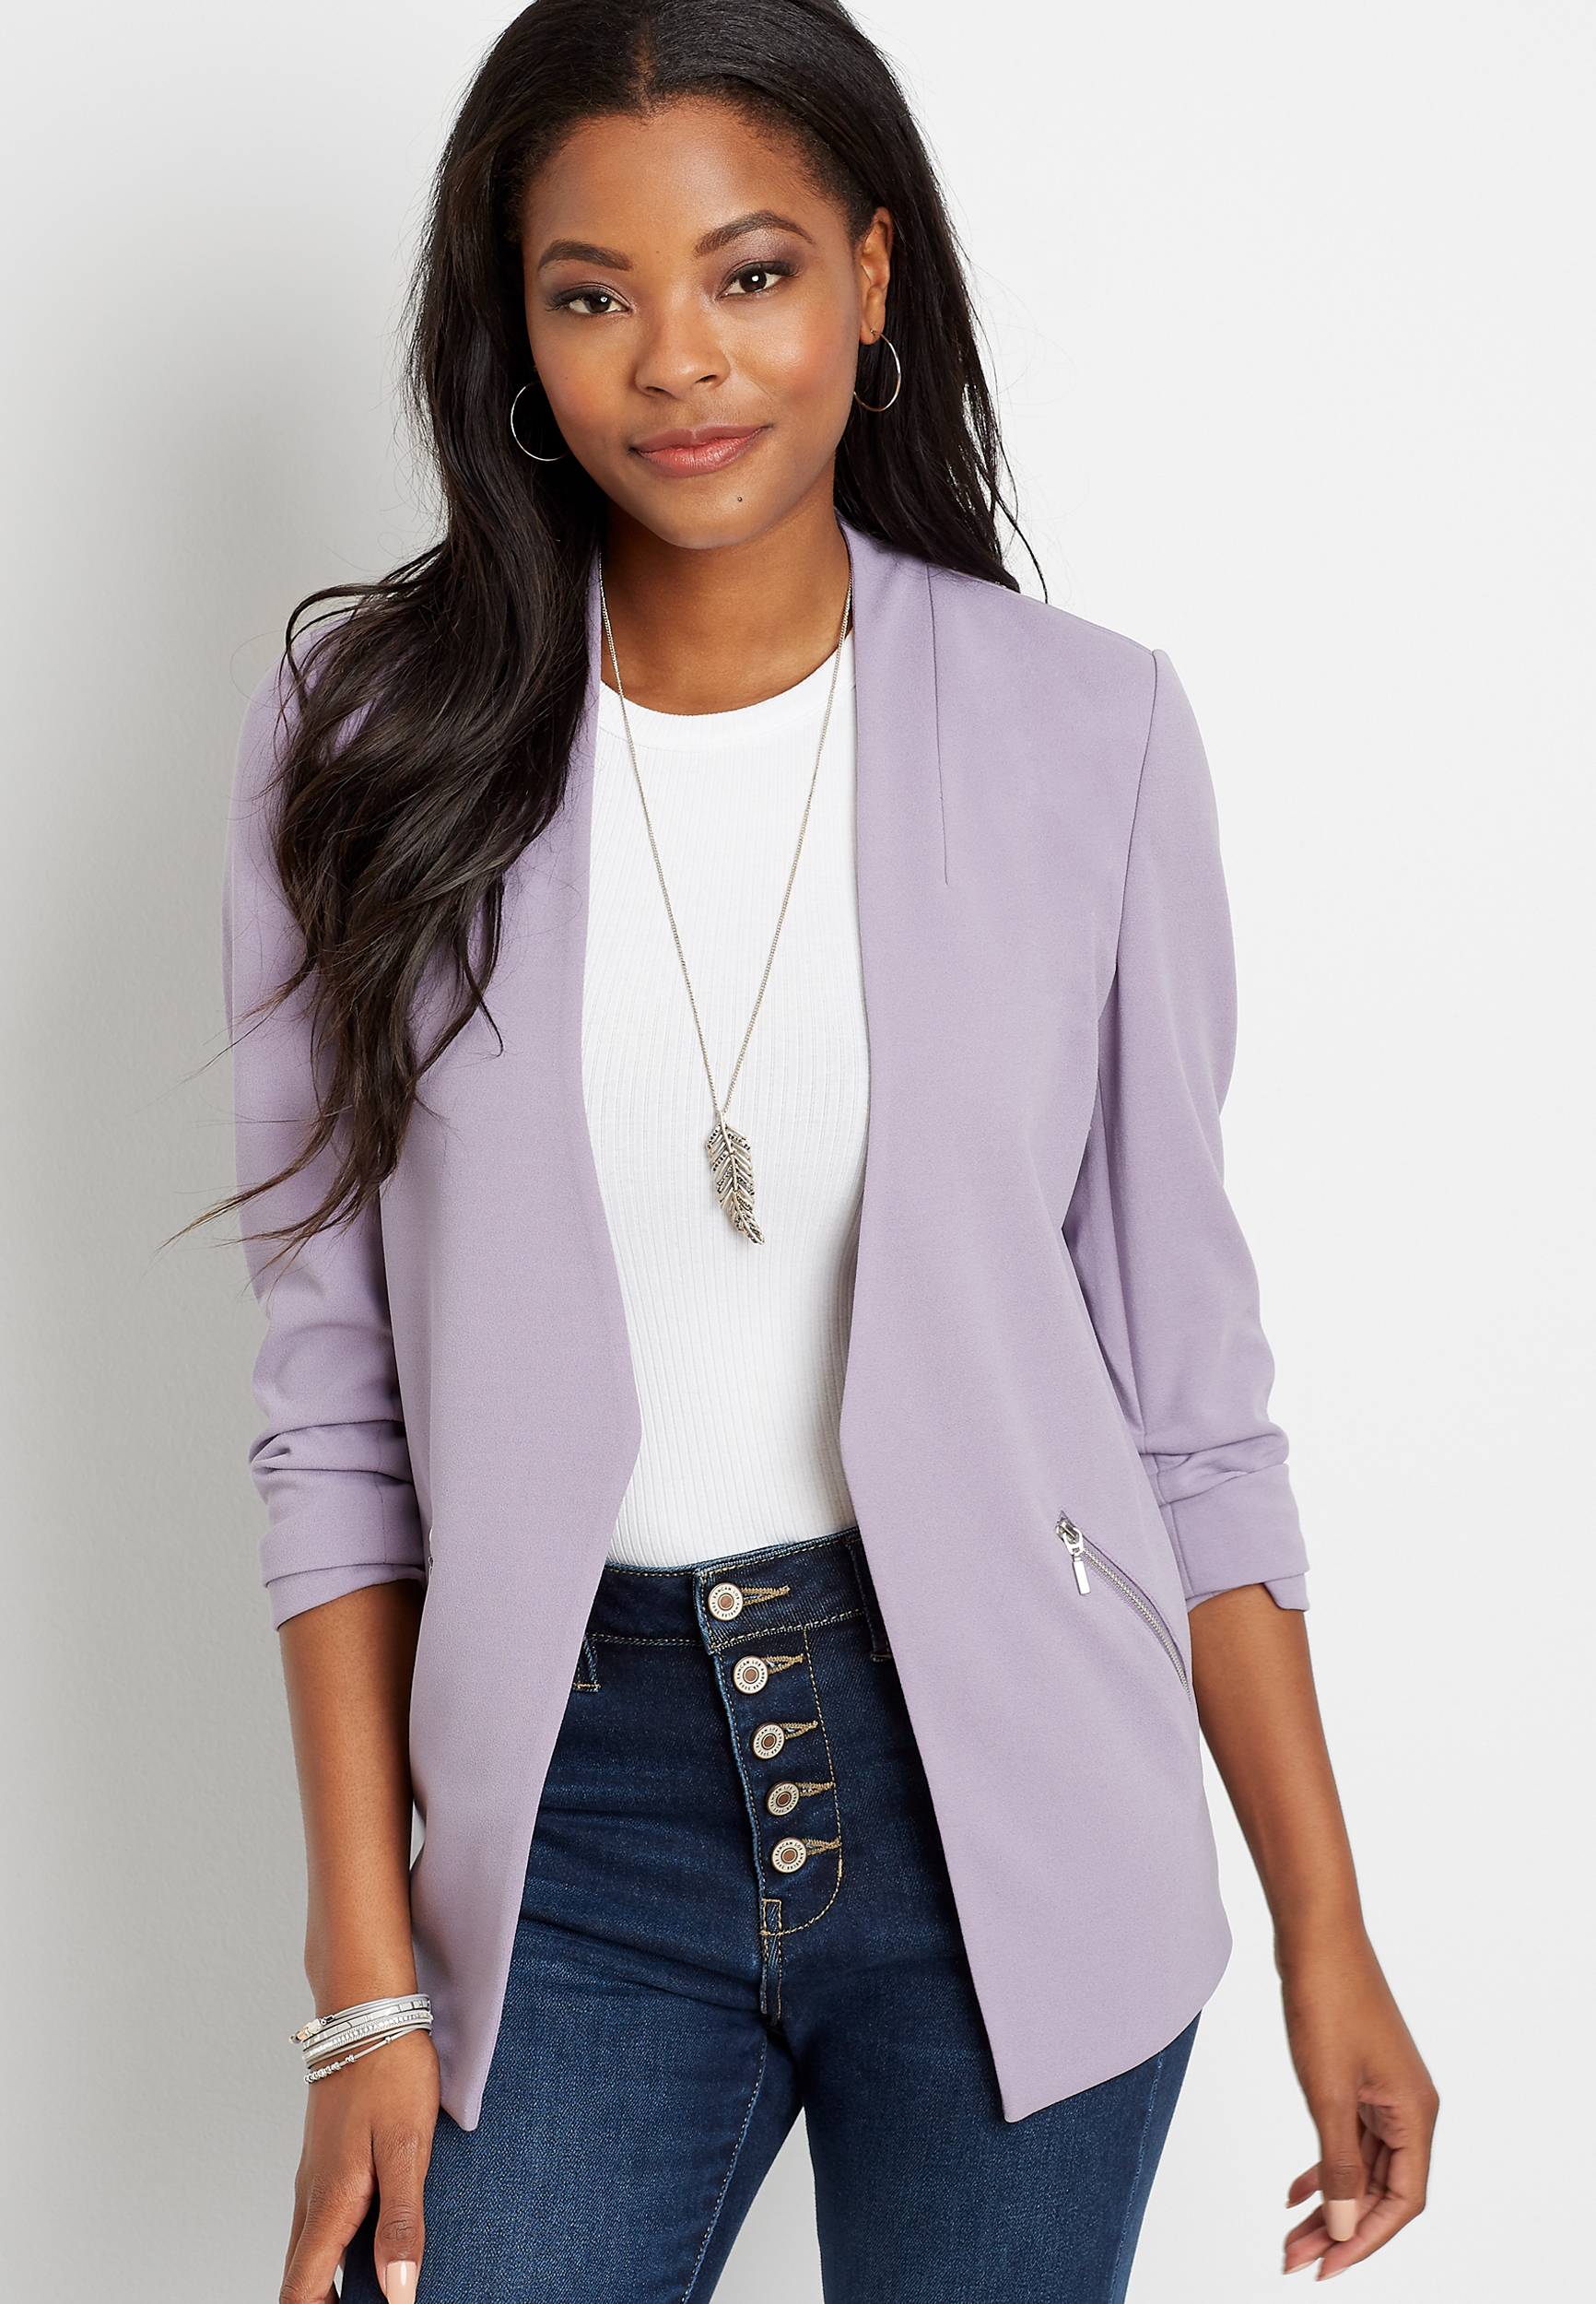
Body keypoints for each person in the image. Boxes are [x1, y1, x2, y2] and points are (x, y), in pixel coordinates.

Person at [217, 3, 1438, 2298]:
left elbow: (1187, 1405)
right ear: (515, 335)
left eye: (751, 273)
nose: (677, 359)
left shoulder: (1087, 732)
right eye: (591, 294)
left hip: (1011, 1798)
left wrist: (1323, 1928)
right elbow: (333, 1416)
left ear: (871, 278)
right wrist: (365, 1987)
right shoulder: (368, 742)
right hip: (568, 1825)